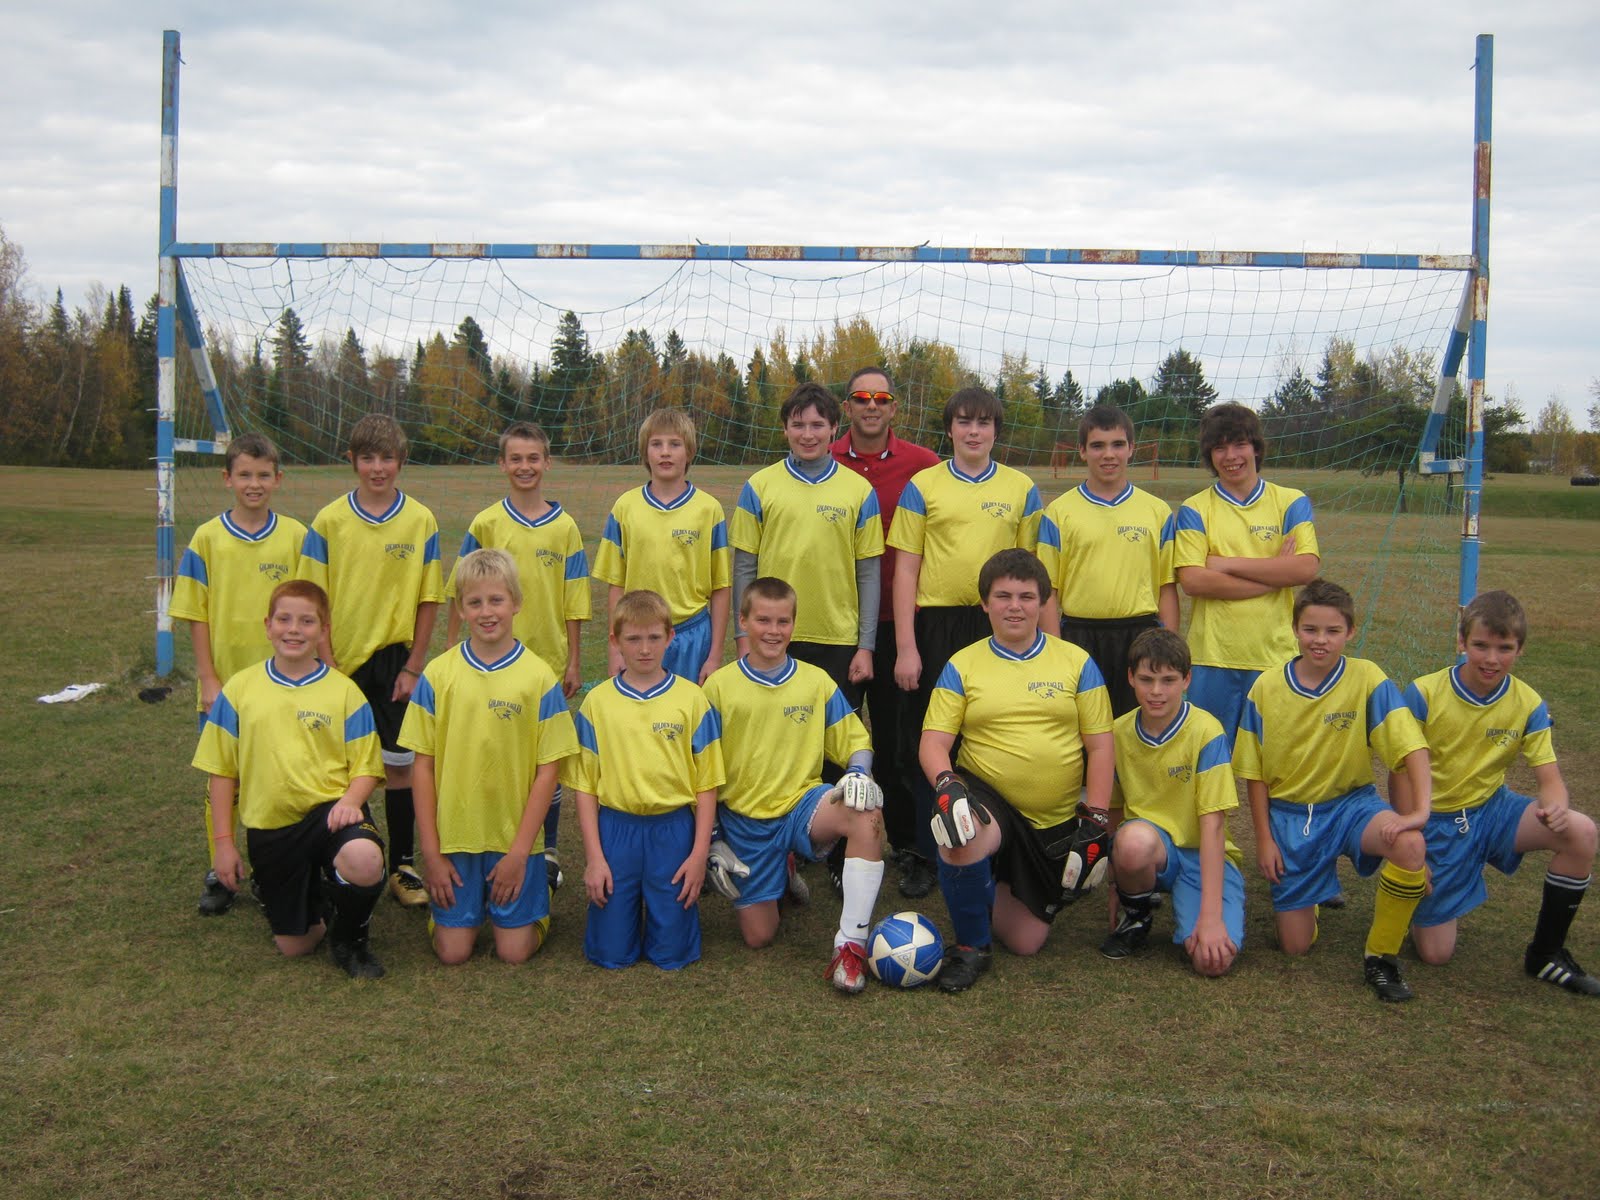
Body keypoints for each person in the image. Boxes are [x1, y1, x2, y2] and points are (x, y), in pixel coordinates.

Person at [918, 548, 1114, 993]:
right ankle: (970, 947)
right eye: (1002, 596)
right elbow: (934, 742)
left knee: (1026, 942)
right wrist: (947, 785)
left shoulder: (1077, 663)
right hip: (986, 796)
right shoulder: (962, 664)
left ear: (1043, 602)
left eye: (1026, 596)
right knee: (958, 830)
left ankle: (988, 881)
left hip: (1050, 821)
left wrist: (1097, 817)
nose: (1014, 606)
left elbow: (1101, 747)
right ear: (985, 603)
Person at [1233, 578, 1432, 1002]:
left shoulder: (1367, 678)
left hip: (1352, 806)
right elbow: (1254, 776)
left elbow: (1411, 747)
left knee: (1410, 844)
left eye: (1332, 631)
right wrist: (1265, 839)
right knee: (1295, 947)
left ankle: (1380, 959)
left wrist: (1419, 813)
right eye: (1311, 630)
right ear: (1294, 629)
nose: (1320, 641)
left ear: (1351, 633)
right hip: (1290, 817)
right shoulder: (1265, 688)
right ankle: (1315, 892)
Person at [1399, 590, 1598, 995]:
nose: (1492, 659)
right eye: (1481, 646)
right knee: (1436, 954)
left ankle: (1545, 954)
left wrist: (1556, 807)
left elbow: (1550, 778)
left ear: (1520, 649)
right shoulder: (1423, 693)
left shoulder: (1528, 703)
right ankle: (1412, 905)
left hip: (1492, 809)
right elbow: (1400, 775)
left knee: (1580, 831)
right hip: (1437, 822)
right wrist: (1412, 839)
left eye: (1504, 648)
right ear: (1461, 642)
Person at [890, 387, 1043, 901]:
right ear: (950, 429)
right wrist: (907, 646)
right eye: (963, 422)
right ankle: (923, 851)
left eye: (983, 423)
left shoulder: (1022, 488)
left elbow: (1030, 571)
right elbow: (906, 567)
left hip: (999, 623)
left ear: (996, 430)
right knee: (927, 738)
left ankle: (995, 842)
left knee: (994, 733)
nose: (973, 431)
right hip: (936, 626)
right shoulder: (923, 485)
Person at [191, 580, 388, 979]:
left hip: (331, 812)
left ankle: (350, 939)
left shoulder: (345, 692)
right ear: (268, 626)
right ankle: (317, 897)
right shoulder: (239, 691)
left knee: (364, 859)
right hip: (273, 825)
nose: (294, 629)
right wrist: (224, 845)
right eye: (284, 619)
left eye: (306, 621)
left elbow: (367, 767)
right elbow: (222, 772)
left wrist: (351, 801)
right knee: (295, 946)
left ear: (323, 630)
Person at [702, 577, 888, 993]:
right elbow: (701, 771)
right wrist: (714, 838)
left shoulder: (816, 681)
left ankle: (850, 947)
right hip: (745, 820)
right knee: (759, 936)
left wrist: (858, 771)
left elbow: (856, 741)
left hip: (803, 803)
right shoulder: (718, 687)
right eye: (763, 620)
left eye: (782, 621)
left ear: (794, 624)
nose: (773, 630)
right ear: (743, 620)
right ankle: (784, 872)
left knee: (866, 814)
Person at [402, 549, 579, 965]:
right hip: (455, 837)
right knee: (453, 953)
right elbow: (422, 768)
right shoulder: (438, 675)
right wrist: (432, 852)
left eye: (496, 600)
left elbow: (547, 771)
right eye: (475, 602)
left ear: (516, 602)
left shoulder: (538, 679)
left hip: (513, 838)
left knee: (514, 953)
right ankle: (460, 911)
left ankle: (539, 886)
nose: (487, 612)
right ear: (461, 609)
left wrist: (519, 854)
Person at [297, 413, 444, 909]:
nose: (377, 468)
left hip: (395, 663)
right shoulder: (328, 521)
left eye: (386, 458)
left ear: (401, 462)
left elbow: (429, 599)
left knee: (400, 767)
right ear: (352, 461)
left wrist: (414, 666)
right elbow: (313, 597)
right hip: (337, 664)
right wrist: (327, 662)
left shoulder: (420, 520)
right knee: (337, 771)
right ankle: (340, 857)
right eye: (367, 458)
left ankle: (401, 865)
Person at [444, 421, 589, 890]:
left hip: (544, 663)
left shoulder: (565, 527)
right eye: (515, 459)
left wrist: (572, 660)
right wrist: (450, 648)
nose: (524, 466)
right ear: (503, 463)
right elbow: (459, 590)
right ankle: (491, 836)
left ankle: (545, 850)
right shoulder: (486, 523)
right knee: (496, 749)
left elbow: (573, 598)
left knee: (546, 759)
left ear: (546, 463)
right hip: (486, 661)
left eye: (533, 458)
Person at [171, 432, 307, 915]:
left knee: (278, 777)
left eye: (263, 475)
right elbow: (196, 613)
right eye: (244, 474)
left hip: (284, 684)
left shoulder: (295, 536)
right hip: (227, 685)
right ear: (226, 478)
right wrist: (208, 679)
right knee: (223, 778)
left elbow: (307, 609)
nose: (254, 483)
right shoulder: (207, 539)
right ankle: (220, 866)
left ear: (278, 479)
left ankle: (278, 866)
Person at [565, 590, 724, 970]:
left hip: (673, 830)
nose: (644, 649)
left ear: (671, 638)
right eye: (633, 639)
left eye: (654, 637)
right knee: (611, 953)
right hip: (615, 829)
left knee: (672, 953)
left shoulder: (692, 700)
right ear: (615, 642)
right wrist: (594, 859)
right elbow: (585, 788)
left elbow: (707, 786)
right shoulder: (597, 704)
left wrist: (699, 854)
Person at [831, 367, 941, 899]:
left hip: (901, 628)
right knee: (833, 741)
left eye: (881, 397)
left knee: (903, 745)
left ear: (894, 407)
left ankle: (915, 846)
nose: (871, 405)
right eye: (861, 397)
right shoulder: (820, 459)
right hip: (834, 627)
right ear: (847, 406)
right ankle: (831, 845)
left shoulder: (923, 466)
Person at [730, 381, 883, 707]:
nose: (808, 434)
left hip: (838, 637)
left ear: (834, 429)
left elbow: (868, 573)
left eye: (817, 425)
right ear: (785, 429)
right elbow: (744, 567)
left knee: (835, 743)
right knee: (778, 735)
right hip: (772, 634)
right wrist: (743, 636)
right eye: (798, 425)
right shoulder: (759, 486)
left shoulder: (859, 490)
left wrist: (865, 647)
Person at [1174, 402, 1319, 744]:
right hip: (1212, 657)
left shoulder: (1291, 502)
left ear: (1255, 446)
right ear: (1209, 456)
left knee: (1275, 762)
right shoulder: (1195, 509)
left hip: (1273, 654)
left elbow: (1306, 567)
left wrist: (1226, 564)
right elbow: (1193, 581)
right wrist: (1274, 575)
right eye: (1219, 447)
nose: (1230, 456)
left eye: (1239, 444)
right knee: (1208, 760)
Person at [1103, 628, 1244, 976]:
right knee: (1133, 840)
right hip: (1150, 847)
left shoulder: (1207, 732)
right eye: (1147, 679)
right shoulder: (1117, 732)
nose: (1156, 691)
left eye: (1168, 680)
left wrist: (1210, 919)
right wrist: (1114, 880)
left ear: (1187, 680)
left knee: (1212, 962)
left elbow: (1213, 827)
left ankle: (1202, 908)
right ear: (1130, 677)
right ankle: (1137, 917)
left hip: (1201, 853)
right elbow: (1114, 812)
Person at [1038, 405, 1178, 717]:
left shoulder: (1157, 512)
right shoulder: (1058, 513)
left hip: (1141, 635)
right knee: (1084, 730)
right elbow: (1048, 594)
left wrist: (1169, 650)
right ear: (1083, 452)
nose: (1108, 454)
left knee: (1139, 731)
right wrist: (1055, 654)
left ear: (1131, 449)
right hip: (1080, 636)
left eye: (1117, 444)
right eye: (1098, 446)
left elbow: (1167, 587)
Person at [594, 407, 731, 684]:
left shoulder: (709, 509)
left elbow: (721, 586)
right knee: (638, 718)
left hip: (693, 633)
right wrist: (614, 649)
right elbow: (615, 584)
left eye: (675, 444)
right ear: (645, 453)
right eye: (656, 444)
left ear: (689, 452)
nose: (665, 452)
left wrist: (715, 654)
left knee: (688, 717)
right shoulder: (625, 507)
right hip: (638, 634)